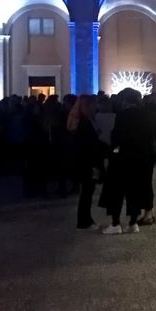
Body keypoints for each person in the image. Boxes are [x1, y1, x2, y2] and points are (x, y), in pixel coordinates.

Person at [101, 88, 156, 235]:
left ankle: (115, 223)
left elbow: (117, 136)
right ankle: (133, 223)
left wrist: (110, 150)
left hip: (123, 157)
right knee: (134, 191)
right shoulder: (147, 115)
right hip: (142, 158)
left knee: (116, 191)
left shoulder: (123, 116)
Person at [67, 95, 103, 229]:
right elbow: (88, 144)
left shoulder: (82, 121)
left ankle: (86, 219)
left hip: (84, 160)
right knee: (87, 192)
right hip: (86, 161)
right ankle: (84, 221)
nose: (96, 107)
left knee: (87, 191)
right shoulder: (84, 122)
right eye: (94, 105)